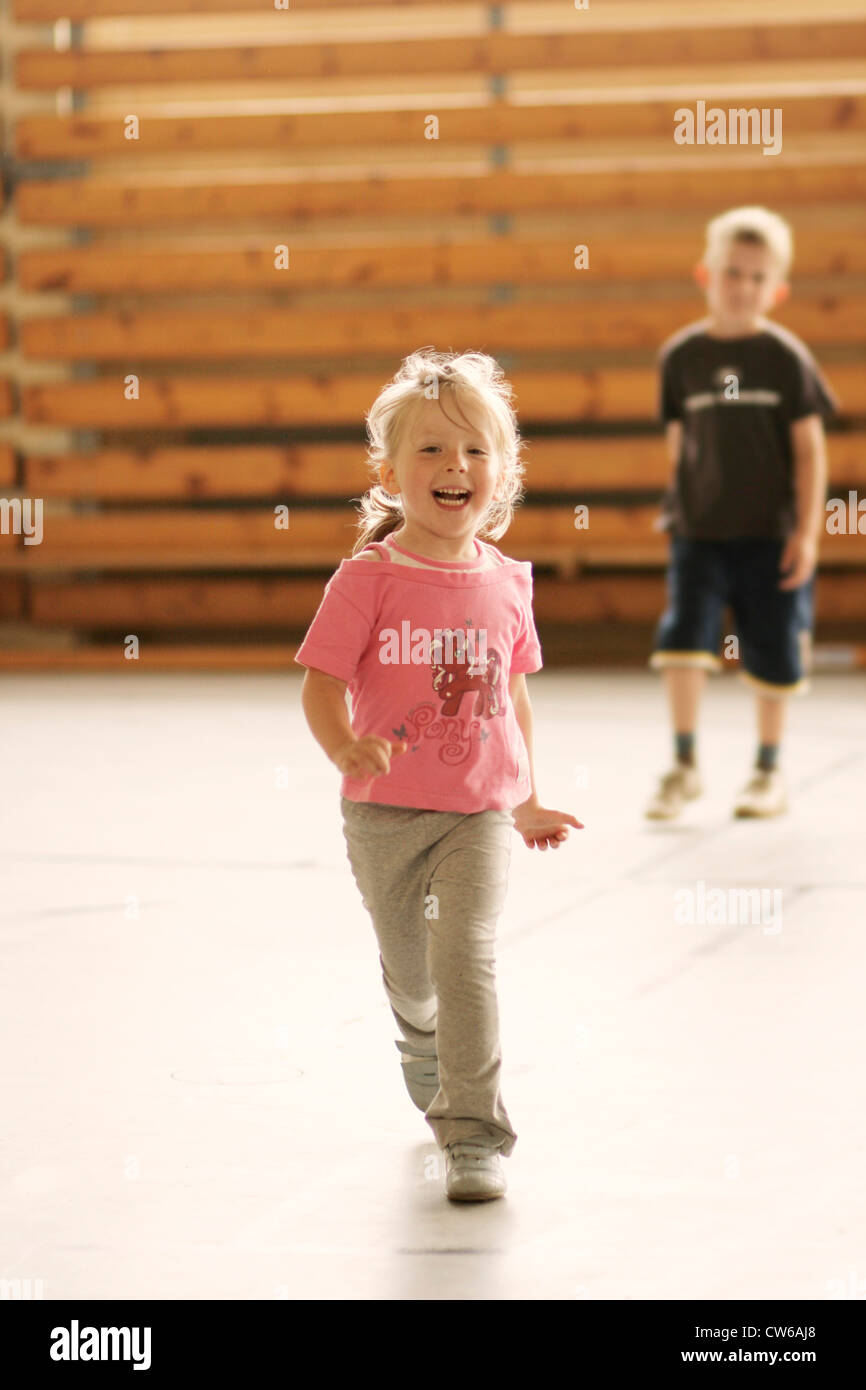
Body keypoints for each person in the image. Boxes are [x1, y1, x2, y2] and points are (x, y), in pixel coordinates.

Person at [295, 348, 582, 1202]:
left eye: (474, 452)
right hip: (384, 818)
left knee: (466, 958)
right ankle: (419, 1032)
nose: (454, 467)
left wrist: (525, 798)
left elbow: (513, 701)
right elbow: (319, 683)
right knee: (416, 976)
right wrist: (346, 747)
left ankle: (474, 1136)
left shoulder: (508, 583)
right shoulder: (368, 579)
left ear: (502, 474)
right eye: (431, 451)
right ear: (389, 474)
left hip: (478, 814)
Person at [645, 206, 837, 820]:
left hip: (769, 536)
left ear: (775, 289)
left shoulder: (786, 359)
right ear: (707, 274)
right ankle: (683, 764)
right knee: (683, 640)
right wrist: (684, 502)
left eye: (758, 278)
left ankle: (767, 770)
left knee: (774, 647)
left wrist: (807, 534)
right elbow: (682, 442)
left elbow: (810, 452)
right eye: (733, 272)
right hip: (698, 533)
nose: (743, 287)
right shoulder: (681, 358)